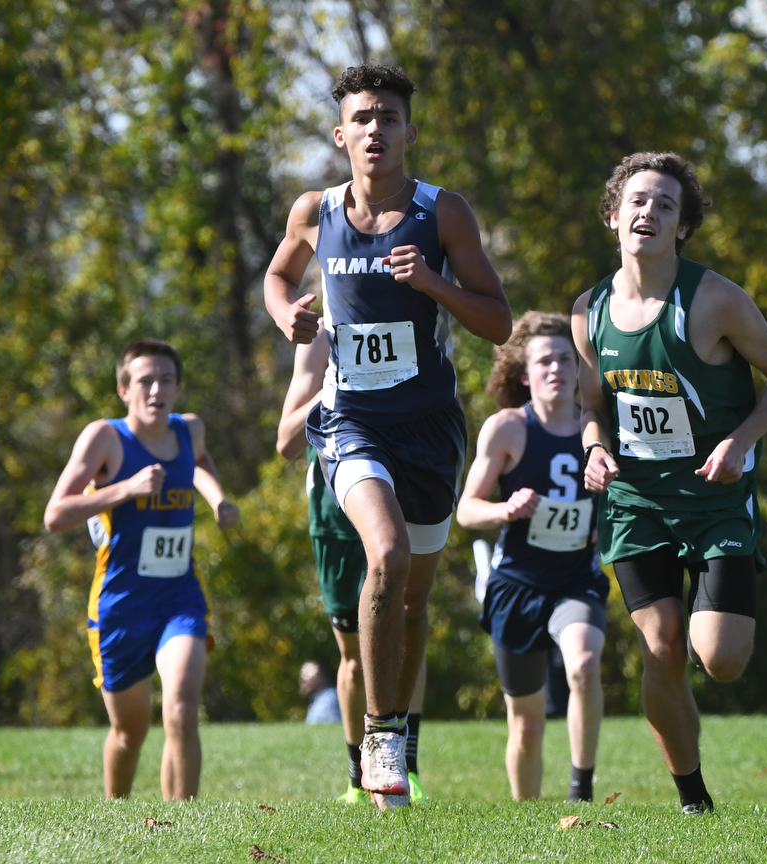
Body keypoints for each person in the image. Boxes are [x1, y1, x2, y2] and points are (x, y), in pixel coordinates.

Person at [263, 63, 511, 809]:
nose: (376, 129)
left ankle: (397, 739)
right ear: (342, 134)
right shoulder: (315, 210)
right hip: (349, 420)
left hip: (431, 429)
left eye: (389, 117)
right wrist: (288, 318)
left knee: (413, 598)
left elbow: (498, 322)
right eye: (363, 118)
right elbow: (277, 279)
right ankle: (379, 740)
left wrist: (433, 283)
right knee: (388, 555)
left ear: (409, 130)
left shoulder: (444, 215)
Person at [572, 152, 767, 814]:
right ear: (613, 216)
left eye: (665, 205)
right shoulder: (588, 314)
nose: (649, 212)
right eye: (638, 201)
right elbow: (593, 409)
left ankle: (697, 693)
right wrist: (594, 450)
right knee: (661, 648)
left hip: (715, 498)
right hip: (637, 502)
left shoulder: (716, 300)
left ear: (683, 229)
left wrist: (740, 441)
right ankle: (692, 798)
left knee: (720, 658)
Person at [43, 339, 239, 800]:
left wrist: (218, 500)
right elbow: (55, 515)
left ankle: (182, 829)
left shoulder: (188, 430)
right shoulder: (105, 439)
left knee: (181, 709)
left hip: (178, 597)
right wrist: (125, 488)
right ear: (123, 389)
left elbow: (199, 461)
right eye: (145, 381)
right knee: (130, 732)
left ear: (177, 388)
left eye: (166, 380)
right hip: (120, 604)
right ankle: (118, 813)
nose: (156, 390)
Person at [457, 311, 609, 802]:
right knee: (525, 724)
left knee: (584, 663)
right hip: (517, 585)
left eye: (566, 359)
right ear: (525, 373)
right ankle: (527, 818)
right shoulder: (507, 429)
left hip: (575, 580)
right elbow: (466, 511)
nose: (556, 370)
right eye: (544, 361)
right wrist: (506, 508)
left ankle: (580, 789)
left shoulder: (600, 431)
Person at [276, 327, 428, 804]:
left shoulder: (406, 319)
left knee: (404, 619)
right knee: (353, 655)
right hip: (334, 512)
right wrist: (336, 387)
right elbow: (285, 441)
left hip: (397, 489)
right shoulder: (318, 341)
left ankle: (406, 763)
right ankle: (355, 774)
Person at [300, 661, 342, 725]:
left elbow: (333, 726)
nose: (304, 680)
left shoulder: (329, 700)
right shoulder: (317, 700)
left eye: (308, 674)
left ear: (321, 677)